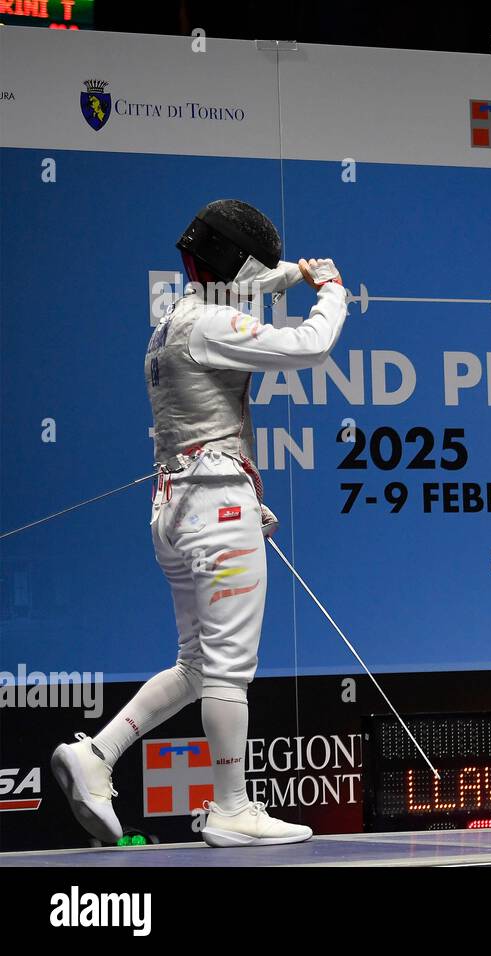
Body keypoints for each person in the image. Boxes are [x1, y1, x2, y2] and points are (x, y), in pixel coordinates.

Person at [50, 199, 349, 847]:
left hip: (180, 506)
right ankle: (231, 807)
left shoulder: (171, 324)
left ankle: (95, 755)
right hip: (215, 509)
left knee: (195, 664)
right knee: (228, 670)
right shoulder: (211, 326)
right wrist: (331, 291)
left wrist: (290, 275)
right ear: (229, 264)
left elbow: (241, 285)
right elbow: (310, 345)